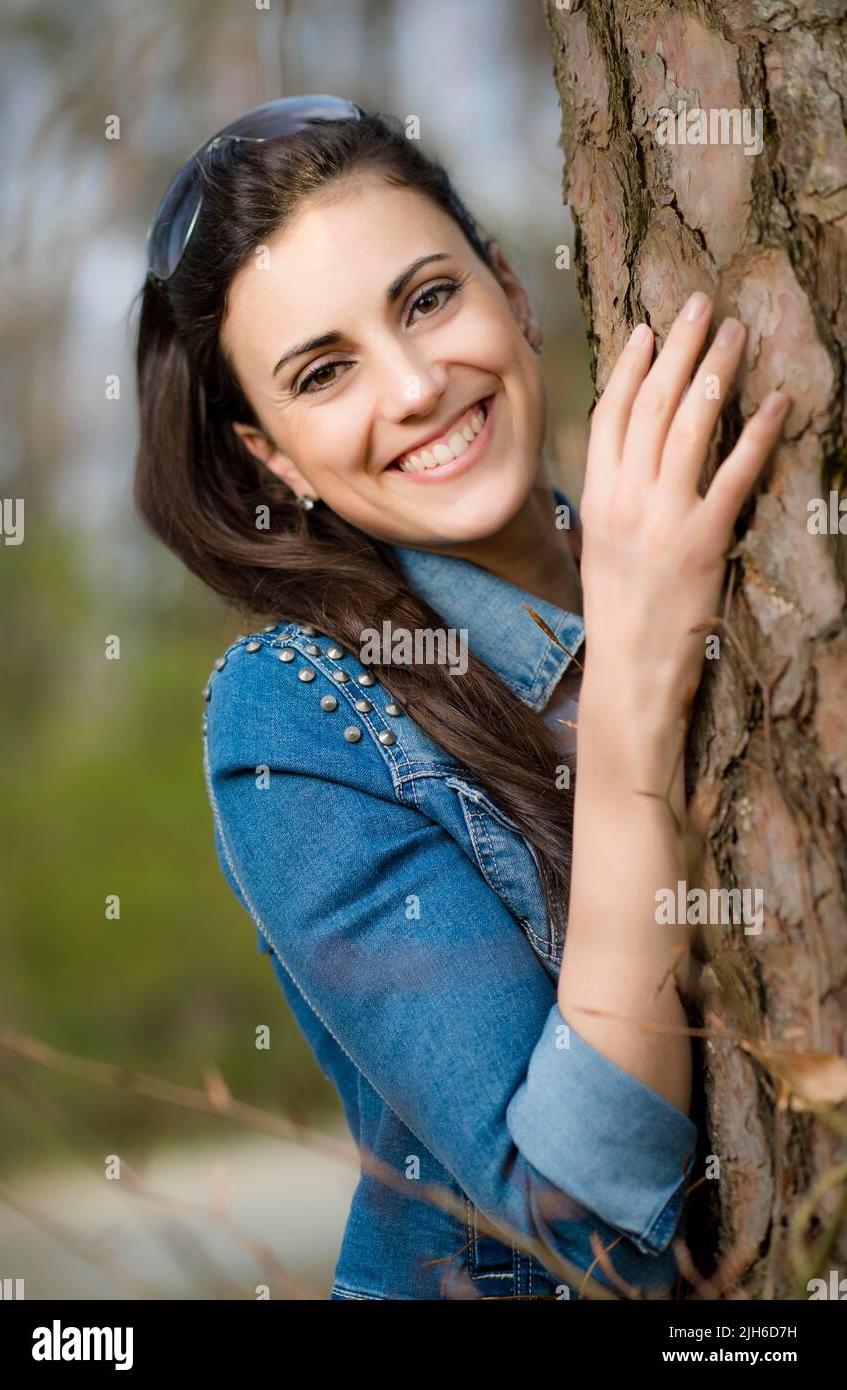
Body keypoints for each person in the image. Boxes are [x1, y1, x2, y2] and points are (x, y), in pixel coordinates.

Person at [133, 97, 790, 1300]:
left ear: (509, 287)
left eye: (428, 298)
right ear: (273, 455)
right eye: (324, 372)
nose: (417, 383)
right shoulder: (293, 715)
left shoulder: (712, 561)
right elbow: (582, 1227)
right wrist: (636, 684)